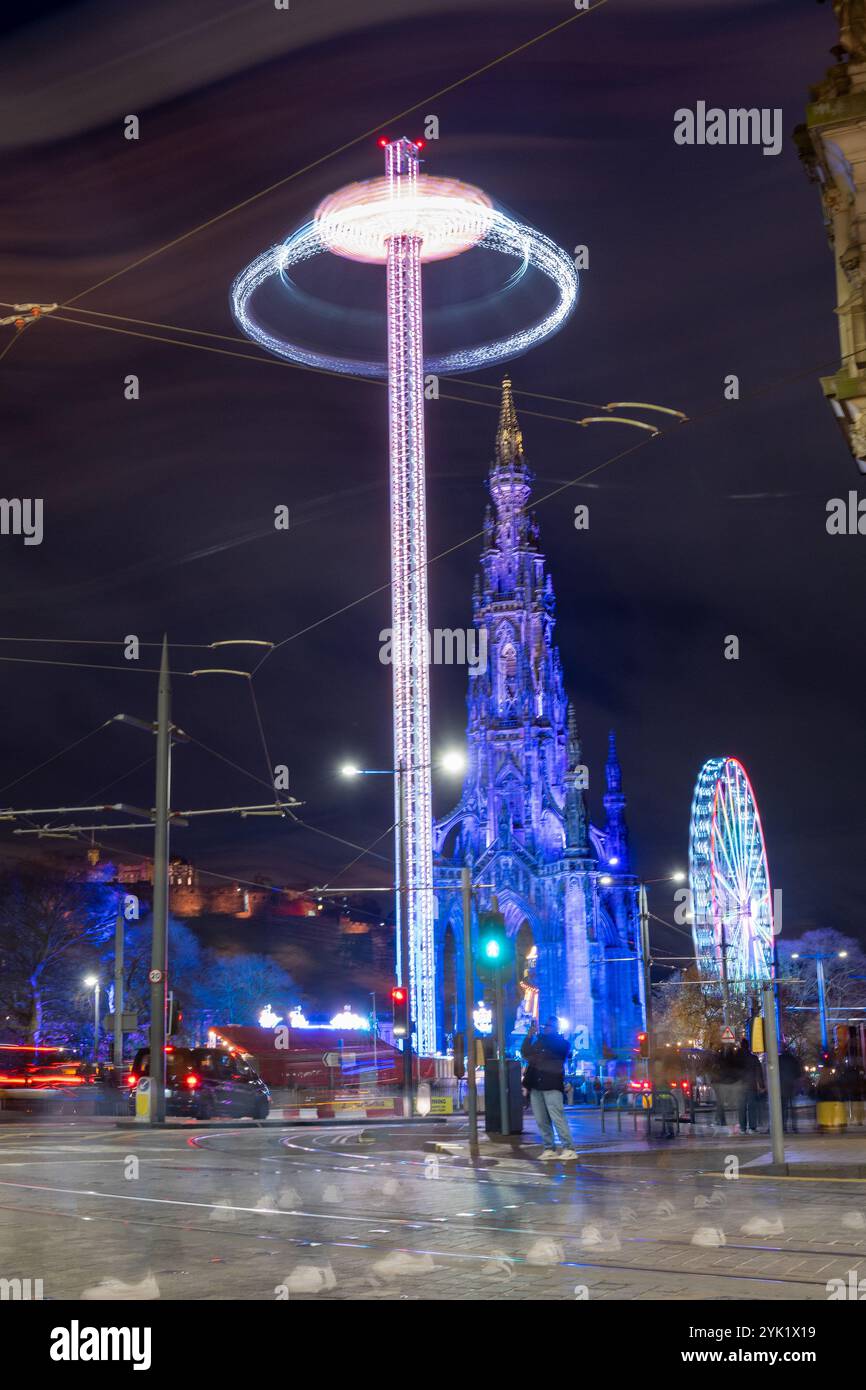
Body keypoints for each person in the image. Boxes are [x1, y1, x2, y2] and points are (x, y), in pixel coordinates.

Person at [521, 1018, 578, 1160]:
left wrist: (537, 1052)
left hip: (552, 1084)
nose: (544, 1028)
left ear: (555, 1027)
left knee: (557, 1117)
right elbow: (526, 1053)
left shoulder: (561, 1043)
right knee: (541, 1119)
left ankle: (569, 1148)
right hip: (536, 1084)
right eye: (544, 1025)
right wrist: (529, 1037)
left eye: (548, 1026)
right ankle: (549, 1148)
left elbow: (545, 1056)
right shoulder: (539, 1041)